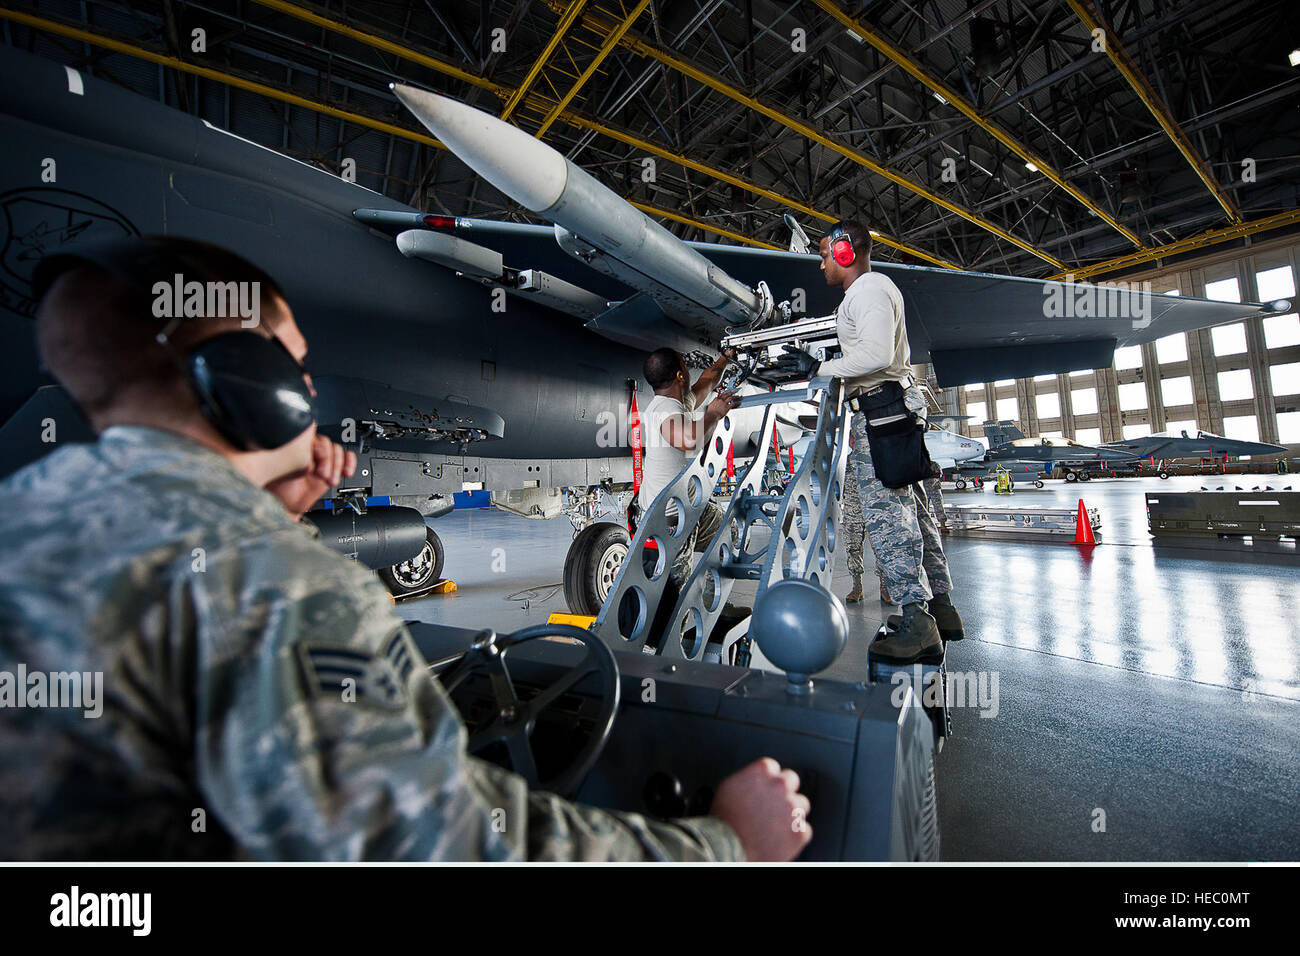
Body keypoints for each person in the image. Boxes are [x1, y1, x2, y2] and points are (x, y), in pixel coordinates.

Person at [0, 236, 810, 862]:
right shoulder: (279, 590)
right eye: (297, 367)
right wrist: (726, 844)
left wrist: (259, 505)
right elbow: (445, 846)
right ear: (252, 380)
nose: (310, 394)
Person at [775, 220, 963, 665]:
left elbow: (877, 355)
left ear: (845, 252)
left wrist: (816, 369)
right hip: (892, 408)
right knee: (913, 508)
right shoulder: (870, 293)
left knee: (888, 517)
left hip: (881, 413)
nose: (820, 264)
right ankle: (940, 604)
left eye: (824, 255)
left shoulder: (868, 290)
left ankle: (918, 623)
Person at [637, 347, 739, 587]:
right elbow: (687, 441)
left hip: (691, 509)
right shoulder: (664, 410)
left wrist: (725, 359)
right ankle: (680, 621)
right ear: (680, 375)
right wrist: (713, 414)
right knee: (672, 595)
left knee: (729, 532)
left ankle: (710, 599)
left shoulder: (679, 403)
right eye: (684, 365)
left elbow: (706, 381)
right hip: (669, 520)